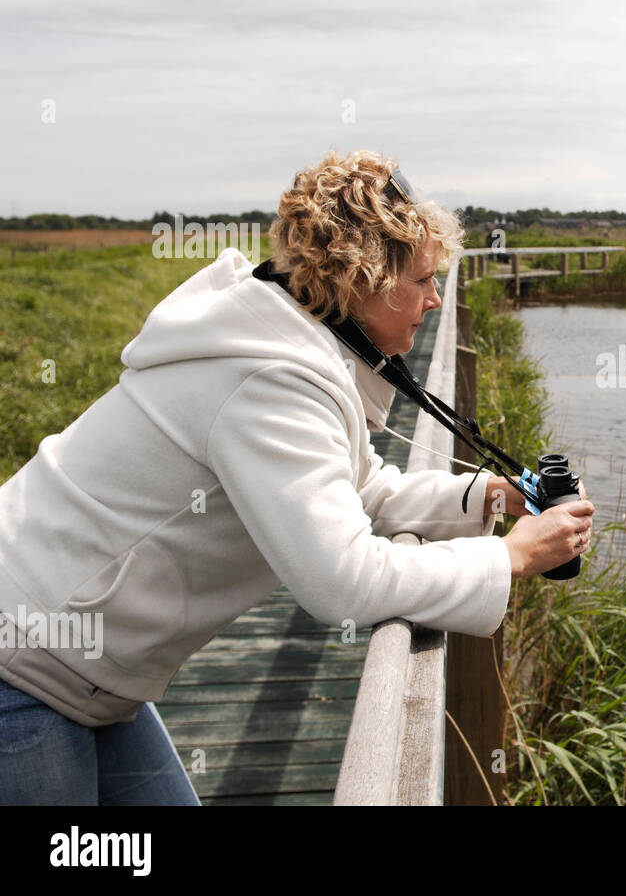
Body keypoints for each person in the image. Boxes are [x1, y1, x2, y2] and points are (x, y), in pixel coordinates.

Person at [0, 149, 595, 804]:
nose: (434, 297)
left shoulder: (289, 342)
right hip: (26, 665)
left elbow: (363, 488)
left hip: (88, 671)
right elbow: (342, 579)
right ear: (361, 278)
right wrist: (505, 557)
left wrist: (495, 494)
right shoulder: (271, 377)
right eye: (423, 279)